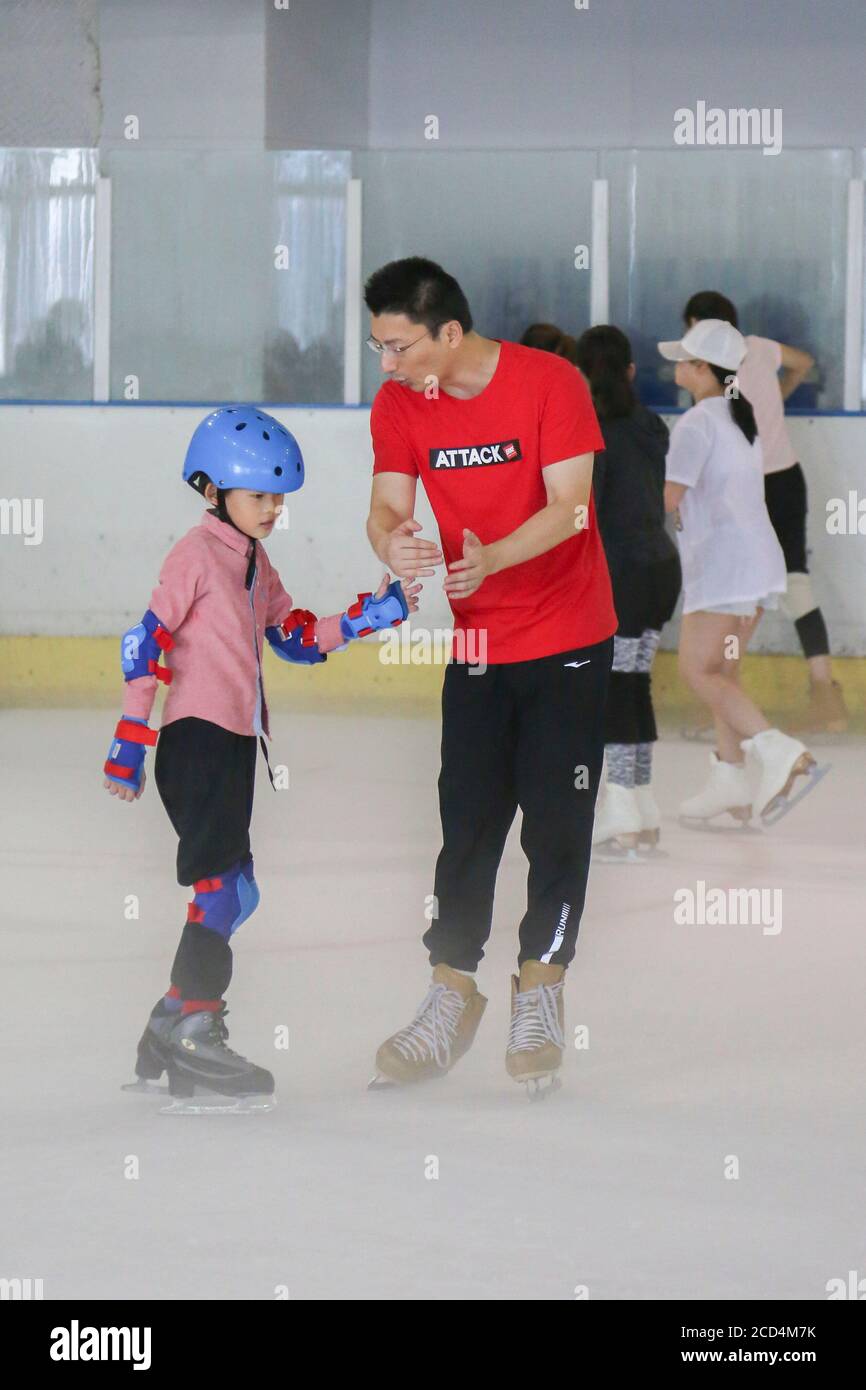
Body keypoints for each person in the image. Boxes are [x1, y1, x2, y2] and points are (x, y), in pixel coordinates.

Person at [103, 406, 416, 1110]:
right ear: (213, 490)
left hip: (235, 744)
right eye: (259, 496)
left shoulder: (253, 558)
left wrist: (365, 618)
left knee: (236, 892)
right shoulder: (194, 555)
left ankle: (171, 1020)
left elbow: (293, 635)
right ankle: (193, 1029)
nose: (273, 509)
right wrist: (130, 740)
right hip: (197, 743)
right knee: (219, 892)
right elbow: (145, 643)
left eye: (279, 497)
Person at [364, 257, 616, 1096]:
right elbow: (387, 504)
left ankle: (540, 990)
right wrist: (391, 541)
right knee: (466, 825)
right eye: (378, 349)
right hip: (478, 646)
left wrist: (496, 557)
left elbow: (574, 506)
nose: (388, 366)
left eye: (399, 347)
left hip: (569, 639)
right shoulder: (401, 403)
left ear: (449, 331)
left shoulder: (551, 383)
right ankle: (451, 996)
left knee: (556, 823)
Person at [657, 320, 816, 825]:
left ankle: (778, 750)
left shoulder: (699, 422)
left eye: (684, 359)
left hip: (725, 569)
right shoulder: (738, 418)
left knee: (696, 670)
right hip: (756, 566)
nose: (677, 365)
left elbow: (670, 498)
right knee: (723, 671)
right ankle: (729, 778)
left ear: (703, 369)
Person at [682, 291, 847, 733]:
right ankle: (825, 693)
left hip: (749, 489)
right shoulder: (759, 347)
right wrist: (779, 394)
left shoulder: (715, 376)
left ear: (700, 326)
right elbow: (805, 362)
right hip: (788, 480)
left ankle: (722, 697)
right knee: (796, 582)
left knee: (737, 596)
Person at [573, 325, 682, 858]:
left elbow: (583, 514)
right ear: (631, 372)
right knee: (633, 682)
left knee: (616, 686)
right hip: (661, 569)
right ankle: (640, 805)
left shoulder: (591, 433)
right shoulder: (651, 424)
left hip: (621, 574)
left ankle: (620, 811)